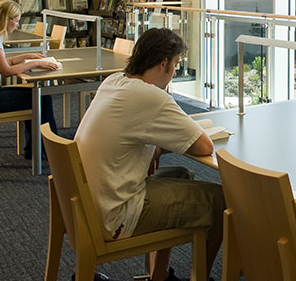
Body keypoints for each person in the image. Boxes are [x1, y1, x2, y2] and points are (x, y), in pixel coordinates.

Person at [75, 28, 224, 281]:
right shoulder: (150, 96)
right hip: (116, 213)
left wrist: (156, 147)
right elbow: (204, 147)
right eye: (175, 65)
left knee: (183, 174)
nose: (175, 73)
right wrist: (161, 145)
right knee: (219, 201)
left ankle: (159, 276)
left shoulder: (113, 81)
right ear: (163, 63)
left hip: (89, 202)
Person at [0, 0, 60, 159]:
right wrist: (36, 63)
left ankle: (35, 148)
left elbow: (3, 62)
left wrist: (26, 56)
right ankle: (53, 151)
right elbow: (6, 71)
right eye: (16, 21)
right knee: (42, 100)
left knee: (36, 96)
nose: (17, 25)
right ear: (6, 20)